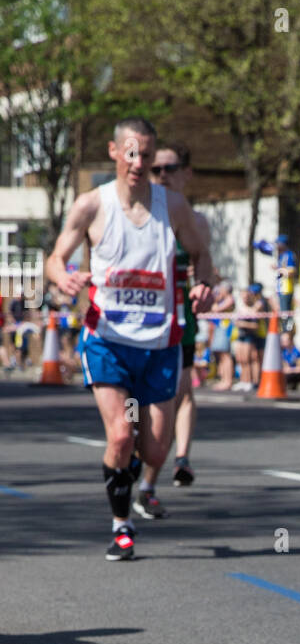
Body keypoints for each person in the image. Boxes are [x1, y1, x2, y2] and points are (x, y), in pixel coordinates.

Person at [45, 117, 213, 560]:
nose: (139, 163)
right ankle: (122, 525)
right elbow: (55, 258)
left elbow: (201, 253)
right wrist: (62, 277)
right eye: (131, 153)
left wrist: (203, 283)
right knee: (121, 435)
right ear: (116, 152)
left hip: (160, 344)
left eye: (147, 155)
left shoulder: (173, 206)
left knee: (154, 449)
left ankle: (133, 472)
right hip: (108, 340)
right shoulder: (90, 205)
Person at [135, 142, 212, 504]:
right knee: (141, 406)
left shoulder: (196, 221)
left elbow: (204, 264)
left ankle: (174, 462)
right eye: (156, 169)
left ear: (186, 173)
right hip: (136, 325)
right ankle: (140, 463)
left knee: (177, 393)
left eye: (170, 168)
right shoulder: (138, 214)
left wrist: (205, 288)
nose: (162, 175)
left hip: (181, 323)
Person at [209, 280, 236, 390]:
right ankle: (223, 379)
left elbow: (215, 309)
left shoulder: (229, 299)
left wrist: (216, 300)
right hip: (219, 327)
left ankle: (228, 380)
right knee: (220, 355)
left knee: (226, 355)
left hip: (226, 328)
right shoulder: (222, 299)